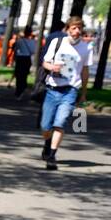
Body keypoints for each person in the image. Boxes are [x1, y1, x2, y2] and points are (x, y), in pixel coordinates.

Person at [38, 17, 92, 172]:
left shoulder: (86, 48)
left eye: (79, 28)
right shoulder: (58, 43)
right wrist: (52, 67)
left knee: (60, 122)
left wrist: (83, 93)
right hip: (52, 88)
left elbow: (85, 71)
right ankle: (47, 144)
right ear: (67, 29)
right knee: (45, 126)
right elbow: (45, 62)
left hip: (70, 90)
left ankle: (52, 156)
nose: (77, 31)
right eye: (74, 28)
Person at [13, 26, 37, 98]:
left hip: (20, 58)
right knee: (24, 74)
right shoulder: (32, 41)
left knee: (19, 75)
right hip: (27, 58)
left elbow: (15, 49)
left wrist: (14, 58)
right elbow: (33, 51)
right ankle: (22, 88)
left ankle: (18, 90)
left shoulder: (20, 41)